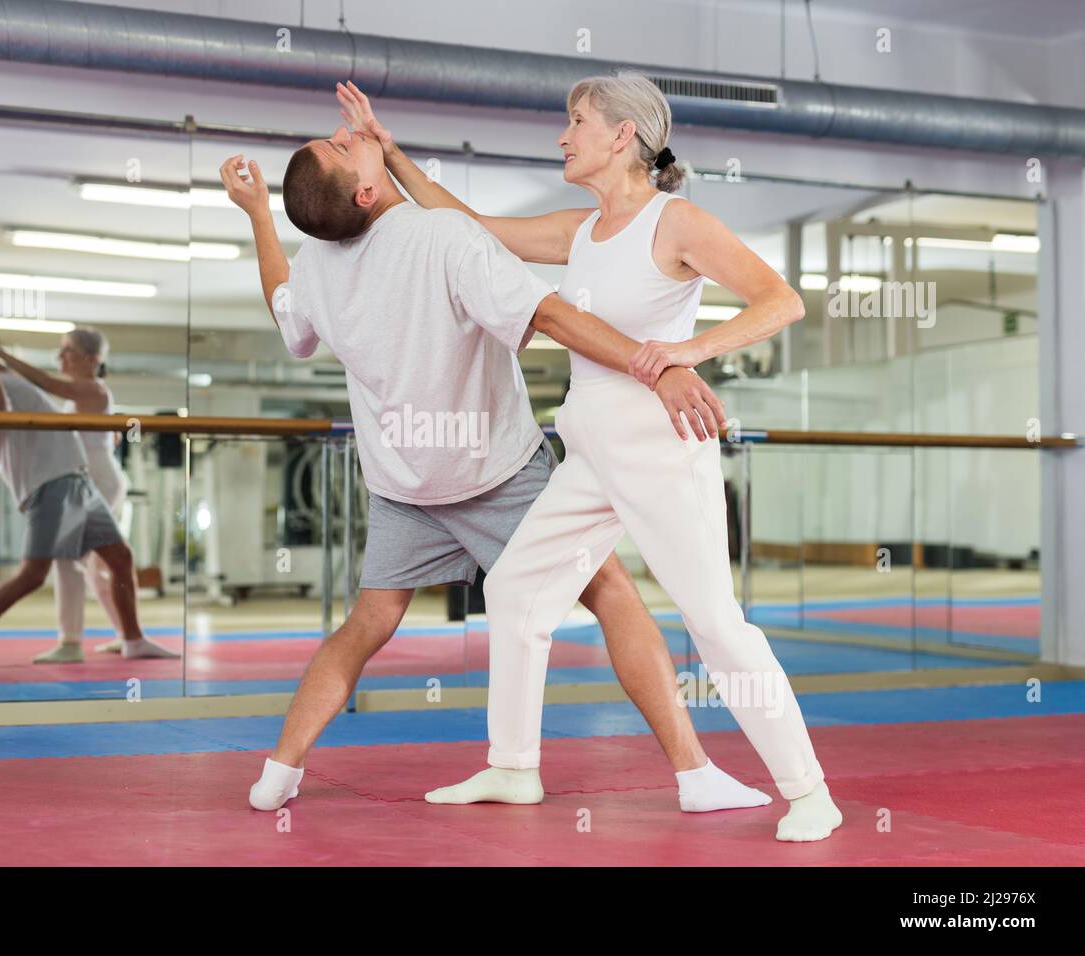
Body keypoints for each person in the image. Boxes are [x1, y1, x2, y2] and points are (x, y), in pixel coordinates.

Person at [221, 114, 772, 819]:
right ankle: (695, 773)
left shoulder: (317, 267)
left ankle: (277, 774)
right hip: (496, 474)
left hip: (404, 483)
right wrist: (656, 367)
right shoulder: (445, 237)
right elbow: (551, 317)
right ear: (362, 193)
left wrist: (259, 214)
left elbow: (283, 310)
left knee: (366, 624)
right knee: (609, 592)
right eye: (341, 146)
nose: (346, 133)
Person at [337, 73, 842, 841]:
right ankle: (513, 764)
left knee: (714, 622)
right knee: (512, 589)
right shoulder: (580, 232)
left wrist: (688, 352)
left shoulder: (677, 223)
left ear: (622, 136)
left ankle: (811, 793)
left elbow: (782, 299)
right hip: (592, 455)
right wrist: (393, 151)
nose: (563, 136)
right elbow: (464, 224)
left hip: (663, 457)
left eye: (576, 121)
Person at [0, 324, 176, 666]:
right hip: (50, 484)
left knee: (120, 559)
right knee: (34, 574)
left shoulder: (9, 379)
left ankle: (133, 639)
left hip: (77, 480)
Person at [0, 328, 131, 663]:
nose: (59, 357)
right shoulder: (80, 396)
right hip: (92, 476)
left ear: (92, 359)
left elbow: (43, 383)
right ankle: (126, 635)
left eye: (67, 351)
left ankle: (71, 642)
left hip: (97, 479)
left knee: (69, 558)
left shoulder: (91, 388)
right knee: (95, 567)